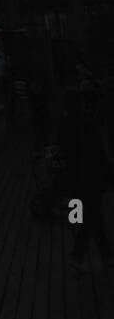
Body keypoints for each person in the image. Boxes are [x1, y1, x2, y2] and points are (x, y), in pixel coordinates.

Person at [58, 86, 114, 272]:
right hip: (91, 176)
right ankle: (79, 255)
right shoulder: (87, 124)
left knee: (94, 215)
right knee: (92, 215)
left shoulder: (67, 124)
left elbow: (64, 152)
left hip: (78, 177)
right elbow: (98, 152)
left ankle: (104, 256)